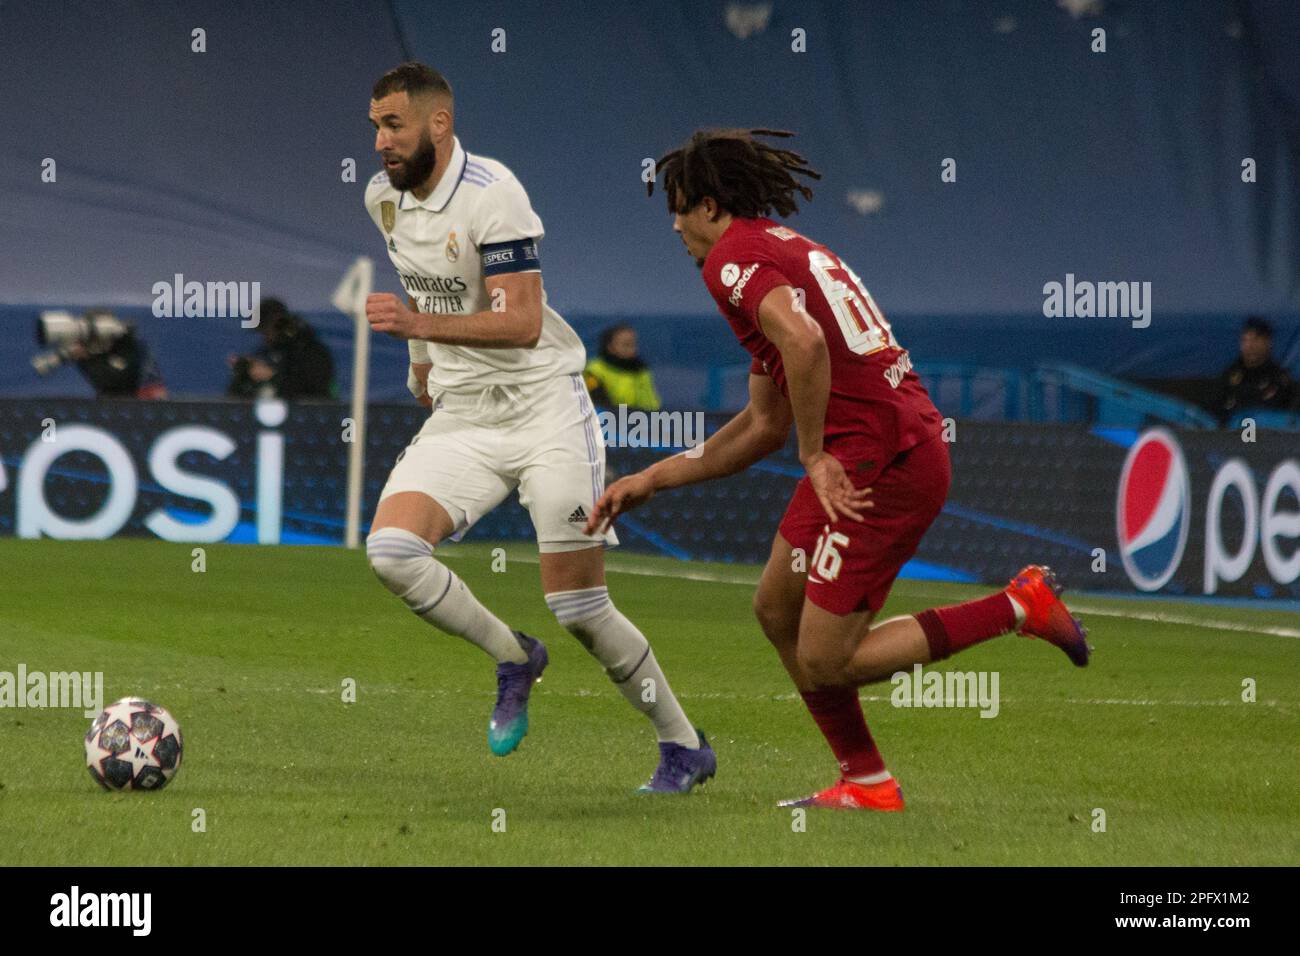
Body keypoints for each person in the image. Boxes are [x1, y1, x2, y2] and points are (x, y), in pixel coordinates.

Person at [586, 128, 1089, 811]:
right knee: (774, 607)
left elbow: (806, 340)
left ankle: (1017, 606)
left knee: (828, 658)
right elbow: (764, 424)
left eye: (678, 207)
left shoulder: (731, 261)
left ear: (708, 205)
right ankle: (866, 782)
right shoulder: (777, 250)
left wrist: (815, 453)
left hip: (885, 462)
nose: (673, 224)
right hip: (874, 450)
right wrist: (652, 479)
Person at [360, 63, 714, 792]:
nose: (379, 143)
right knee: (393, 552)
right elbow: (419, 278)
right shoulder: (382, 200)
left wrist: (416, 328)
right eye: (374, 127)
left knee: (578, 605)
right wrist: (421, 363)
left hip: (545, 409)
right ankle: (515, 656)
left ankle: (683, 745)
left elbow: (521, 323)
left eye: (392, 125)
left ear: (438, 124)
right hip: (464, 415)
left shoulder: (496, 194)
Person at [227, 298, 335, 400]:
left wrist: (272, 377)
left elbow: (314, 392)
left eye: (266, 330)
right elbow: (236, 397)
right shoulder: (266, 351)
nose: (265, 337)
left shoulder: (312, 352)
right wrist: (244, 373)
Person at [1215, 316, 1295, 424]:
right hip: (1232, 435)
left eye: (1255, 340)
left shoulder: (1277, 377)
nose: (1250, 346)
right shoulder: (1231, 373)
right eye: (1245, 340)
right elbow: (1218, 406)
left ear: (1268, 342)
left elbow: (1277, 409)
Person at [583, 324, 661, 410]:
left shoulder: (641, 370)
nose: (632, 349)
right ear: (610, 347)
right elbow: (600, 407)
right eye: (626, 345)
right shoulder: (594, 371)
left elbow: (653, 405)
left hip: (643, 421)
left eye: (633, 344)